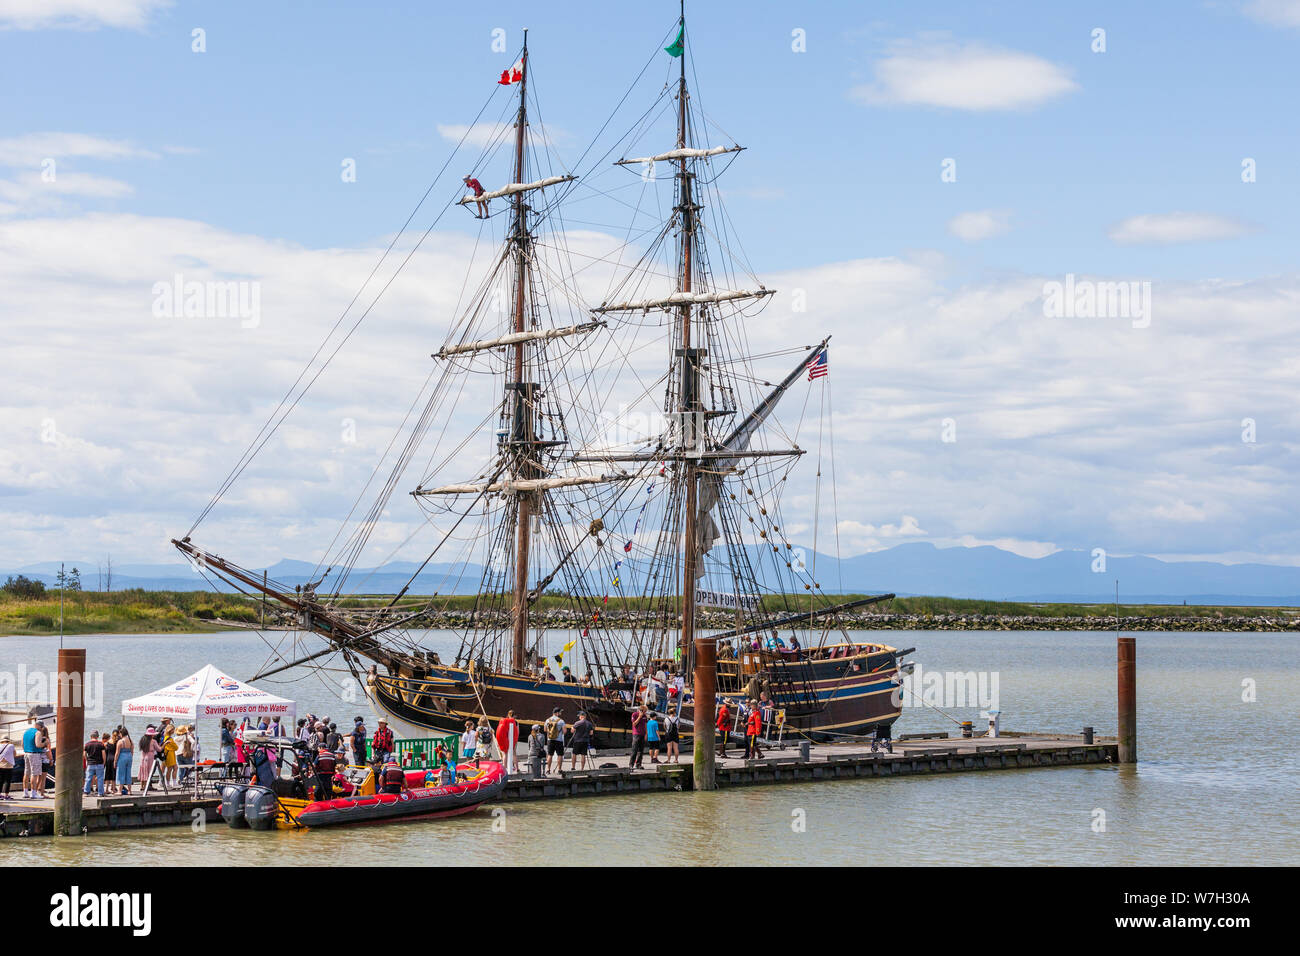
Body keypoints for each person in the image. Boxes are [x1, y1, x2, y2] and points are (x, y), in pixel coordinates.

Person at [22, 720, 49, 799]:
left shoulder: (26, 732)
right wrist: (45, 743)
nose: (41, 729)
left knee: (26, 773)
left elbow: (22, 745)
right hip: (34, 754)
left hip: (26, 753)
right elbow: (38, 744)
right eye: (41, 727)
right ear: (39, 726)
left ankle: (25, 792)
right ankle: (33, 793)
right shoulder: (38, 733)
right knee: (35, 773)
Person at [495, 710, 519, 774]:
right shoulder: (516, 722)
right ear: (515, 716)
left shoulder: (504, 721)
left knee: (505, 753)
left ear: (508, 715)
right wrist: (515, 740)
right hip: (513, 739)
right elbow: (517, 732)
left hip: (506, 738)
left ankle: (505, 767)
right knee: (514, 754)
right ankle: (517, 768)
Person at [83, 731, 107, 797]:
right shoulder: (101, 744)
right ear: (97, 736)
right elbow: (103, 754)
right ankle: (100, 793)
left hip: (90, 764)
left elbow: (84, 754)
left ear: (91, 736)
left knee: (88, 778)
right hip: (99, 763)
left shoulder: (87, 744)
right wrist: (104, 762)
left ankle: (86, 792)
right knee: (100, 778)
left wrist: (87, 760)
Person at [543, 708, 566, 775]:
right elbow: (564, 731)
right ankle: (559, 769)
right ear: (557, 713)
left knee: (550, 755)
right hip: (559, 740)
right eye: (560, 712)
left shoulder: (547, 720)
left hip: (550, 740)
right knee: (560, 755)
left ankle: (548, 770)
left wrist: (551, 733)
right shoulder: (561, 721)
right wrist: (559, 733)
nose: (561, 713)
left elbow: (545, 730)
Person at [114, 728, 134, 796]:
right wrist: (130, 757)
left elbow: (117, 753)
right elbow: (132, 751)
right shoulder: (130, 741)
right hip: (129, 756)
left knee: (121, 773)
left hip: (122, 757)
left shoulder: (120, 741)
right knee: (128, 773)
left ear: (121, 733)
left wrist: (115, 761)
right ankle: (130, 790)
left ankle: (119, 790)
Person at [628, 704, 648, 769]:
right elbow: (634, 724)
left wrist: (646, 734)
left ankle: (638, 764)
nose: (645, 712)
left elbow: (645, 725)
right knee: (634, 750)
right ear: (641, 710)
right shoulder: (634, 714)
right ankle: (631, 764)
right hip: (636, 734)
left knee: (641, 751)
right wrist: (639, 717)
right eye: (644, 711)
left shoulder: (645, 716)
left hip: (642, 734)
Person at [0, 735, 14, 799]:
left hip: (0, 764)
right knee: (7, 781)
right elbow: (15, 754)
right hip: (8, 765)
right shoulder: (11, 746)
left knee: (0, 781)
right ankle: (6, 795)